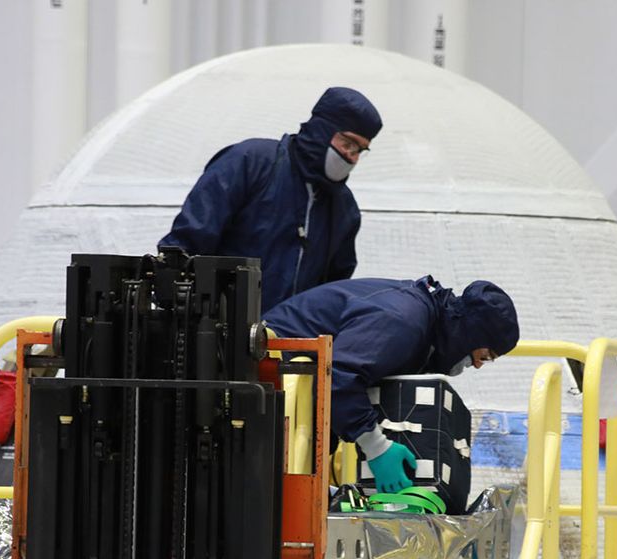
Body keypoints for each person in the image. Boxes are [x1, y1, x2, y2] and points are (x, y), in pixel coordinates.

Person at [265, 275, 521, 493]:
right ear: (471, 334)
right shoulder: (404, 320)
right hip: (270, 380)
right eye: (485, 356)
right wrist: (377, 447)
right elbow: (338, 375)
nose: (477, 365)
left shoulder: (423, 325)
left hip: (288, 395)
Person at [159, 87, 383, 312]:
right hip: (218, 329)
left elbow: (333, 287)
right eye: (347, 143)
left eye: (360, 150)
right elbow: (186, 244)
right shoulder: (249, 163)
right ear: (323, 130)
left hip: (290, 338)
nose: (351, 157)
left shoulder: (343, 209)